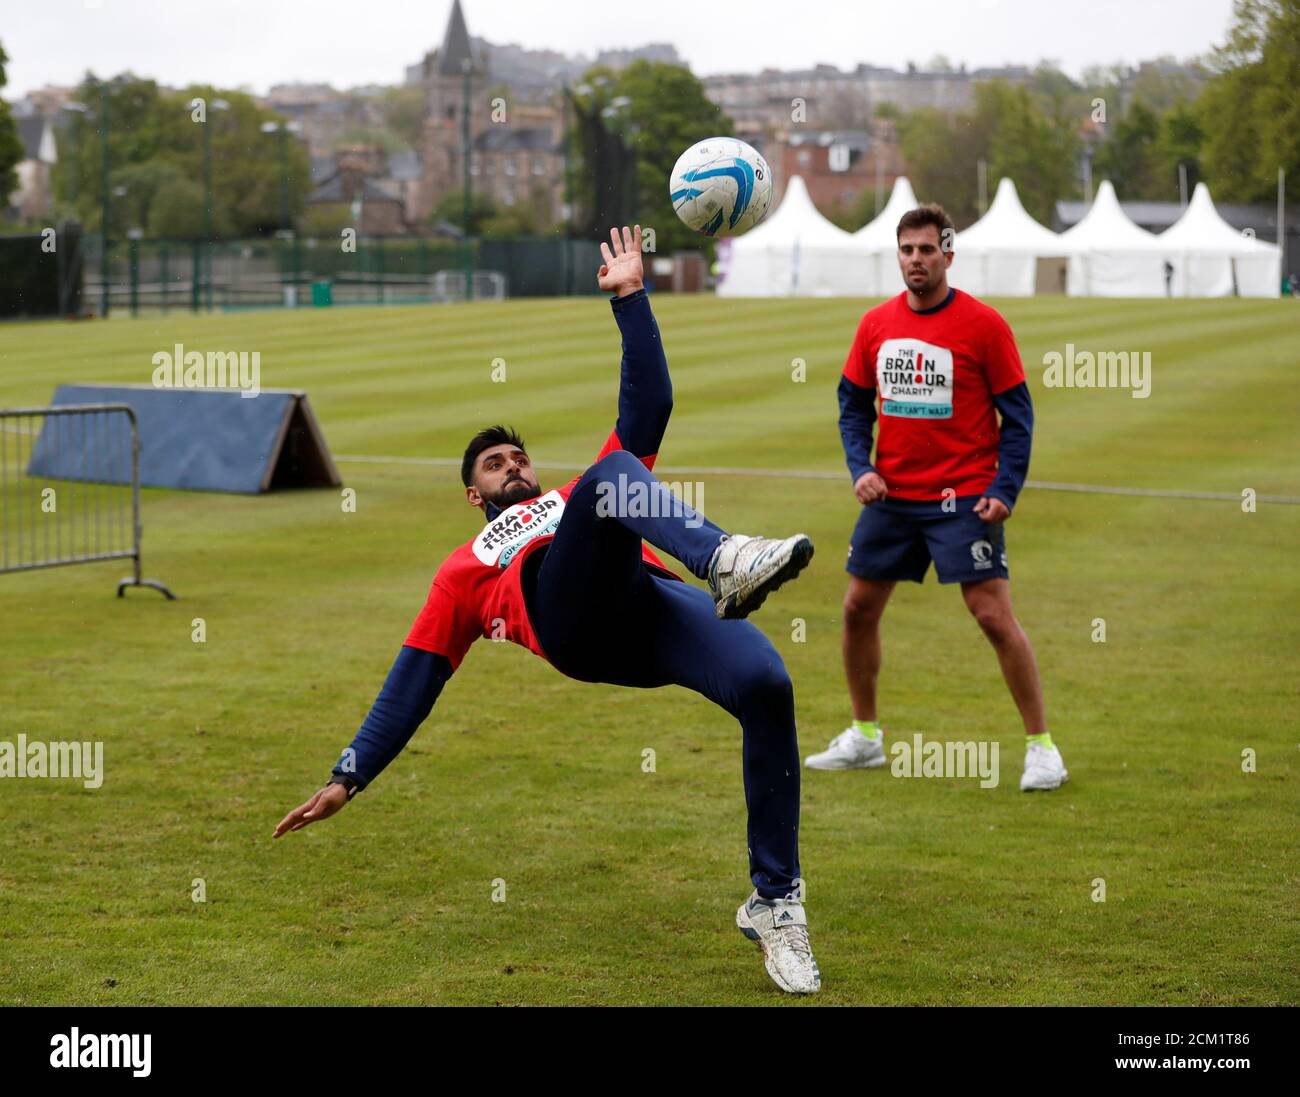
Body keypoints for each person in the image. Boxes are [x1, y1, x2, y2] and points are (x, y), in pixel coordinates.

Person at [274, 226, 822, 994]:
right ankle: (725, 559)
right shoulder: (464, 568)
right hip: (575, 628)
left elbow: (652, 401)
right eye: (495, 465)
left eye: (519, 456)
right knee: (608, 477)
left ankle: (775, 902)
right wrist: (349, 773)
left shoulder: (576, 495)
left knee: (767, 685)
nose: (514, 467)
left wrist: (630, 297)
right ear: (475, 493)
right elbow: (415, 677)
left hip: (651, 608)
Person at [805, 204, 1067, 792]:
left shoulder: (984, 325)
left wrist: (1005, 489)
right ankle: (865, 737)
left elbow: (1017, 418)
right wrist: (860, 467)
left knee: (993, 616)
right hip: (893, 498)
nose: (916, 260)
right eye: (906, 250)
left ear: (948, 254)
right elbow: (852, 403)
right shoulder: (875, 324)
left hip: (965, 499)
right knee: (855, 610)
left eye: (926, 250)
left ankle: (1042, 747)